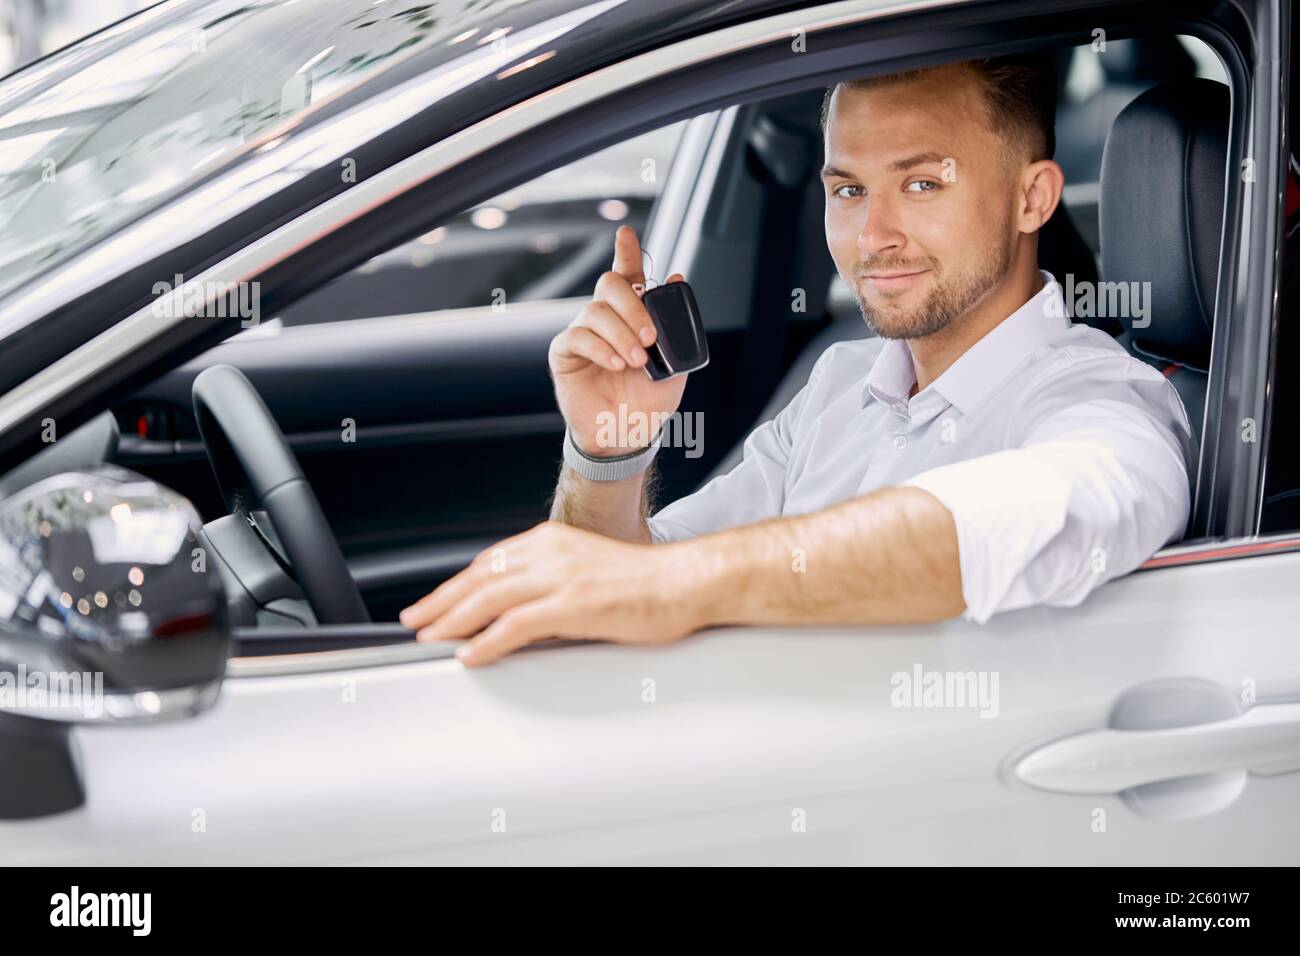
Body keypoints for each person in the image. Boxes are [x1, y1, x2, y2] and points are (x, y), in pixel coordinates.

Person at [400, 54, 1194, 667]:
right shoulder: (842, 382)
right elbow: (630, 575)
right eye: (848, 191)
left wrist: (670, 589)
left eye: (921, 183)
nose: (872, 236)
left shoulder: (1103, 402)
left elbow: (1011, 522)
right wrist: (610, 451)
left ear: (1034, 198)